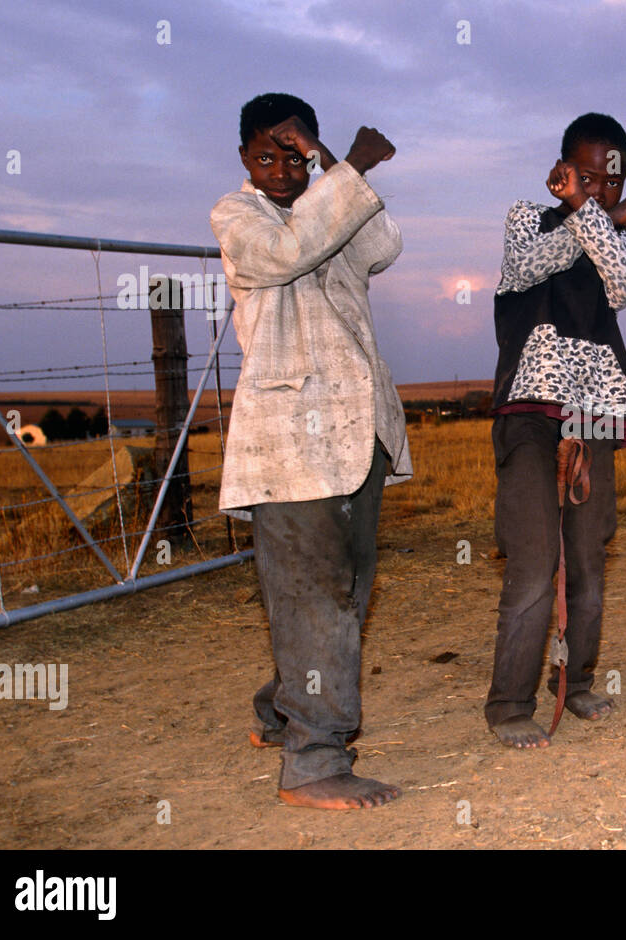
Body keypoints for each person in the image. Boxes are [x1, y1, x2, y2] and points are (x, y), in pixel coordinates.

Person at [210, 92, 411, 808]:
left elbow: (382, 246)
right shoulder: (239, 220)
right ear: (244, 161)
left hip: (359, 437)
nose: (283, 170)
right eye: (267, 156)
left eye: (295, 155)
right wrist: (349, 166)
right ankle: (315, 762)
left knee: (341, 598)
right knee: (315, 602)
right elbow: (291, 252)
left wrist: (332, 167)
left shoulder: (330, 201)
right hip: (289, 446)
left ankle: (282, 709)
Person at [486, 112, 626, 748]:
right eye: (583, 176)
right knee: (536, 559)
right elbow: (531, 267)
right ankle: (508, 705)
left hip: (593, 416)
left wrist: (596, 217)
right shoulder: (527, 218)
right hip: (530, 414)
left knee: (587, 558)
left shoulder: (617, 238)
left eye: (609, 182)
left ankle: (575, 683)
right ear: (560, 168)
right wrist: (598, 214)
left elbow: (625, 281)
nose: (597, 189)